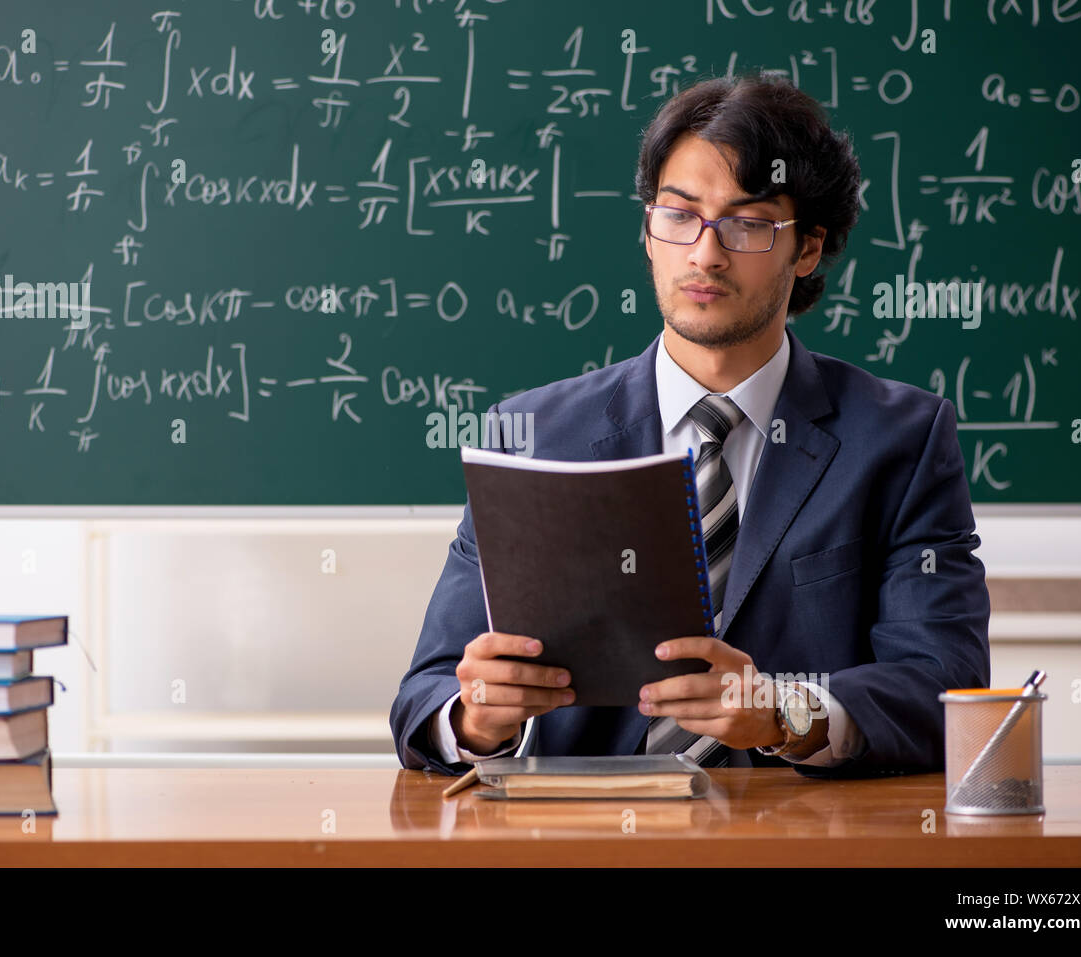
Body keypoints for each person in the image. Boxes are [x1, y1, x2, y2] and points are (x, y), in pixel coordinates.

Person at [389, 73, 990, 778]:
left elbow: (946, 687)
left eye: (747, 223)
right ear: (648, 230)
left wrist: (785, 709)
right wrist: (475, 719)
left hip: (798, 838)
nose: (705, 253)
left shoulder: (901, 440)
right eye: (678, 215)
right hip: (579, 839)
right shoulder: (529, 434)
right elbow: (421, 698)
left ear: (806, 249)